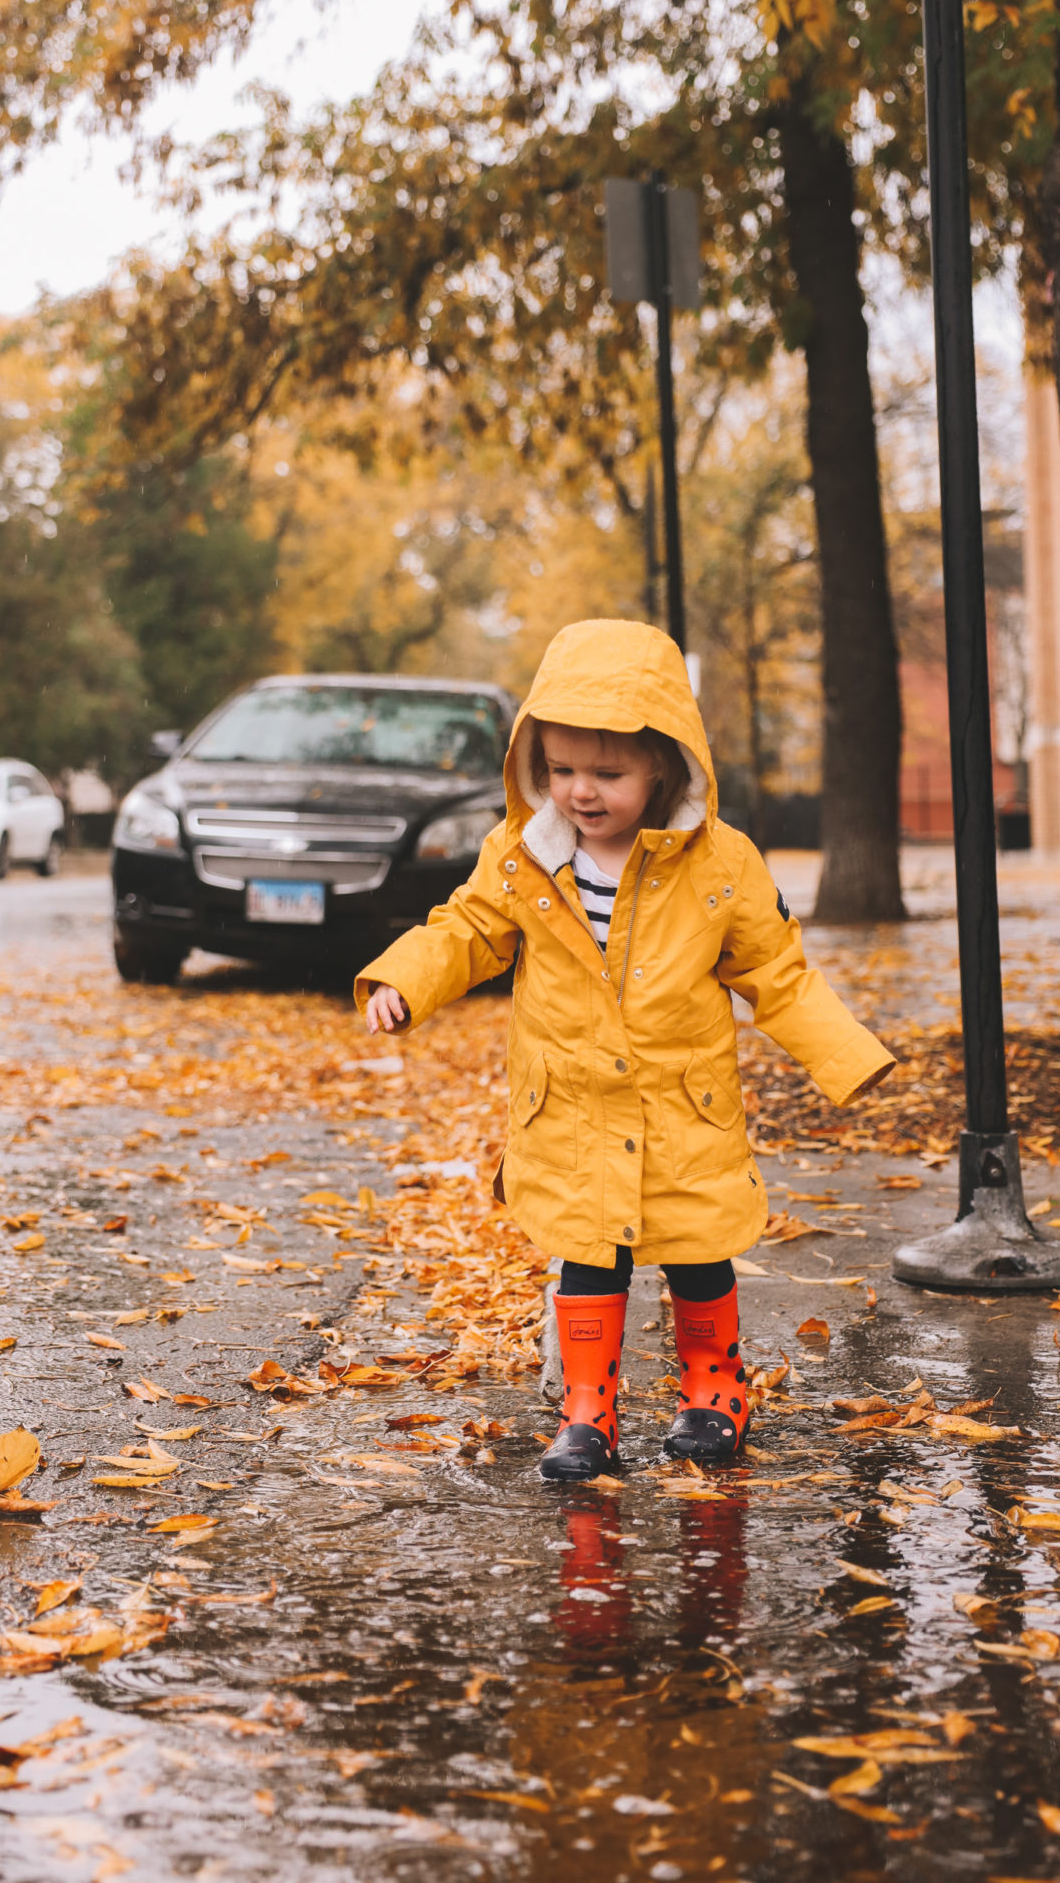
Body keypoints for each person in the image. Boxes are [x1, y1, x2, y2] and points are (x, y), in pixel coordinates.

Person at [356, 619, 895, 1482]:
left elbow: (774, 971)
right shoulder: (522, 856)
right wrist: (404, 981)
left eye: (607, 773)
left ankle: (712, 1392)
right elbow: (466, 930)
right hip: (570, 1103)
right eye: (561, 769)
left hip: (682, 1104)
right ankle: (587, 1409)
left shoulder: (720, 863)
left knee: (696, 1247)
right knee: (586, 1255)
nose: (580, 792)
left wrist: (845, 1055)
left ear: (664, 765)